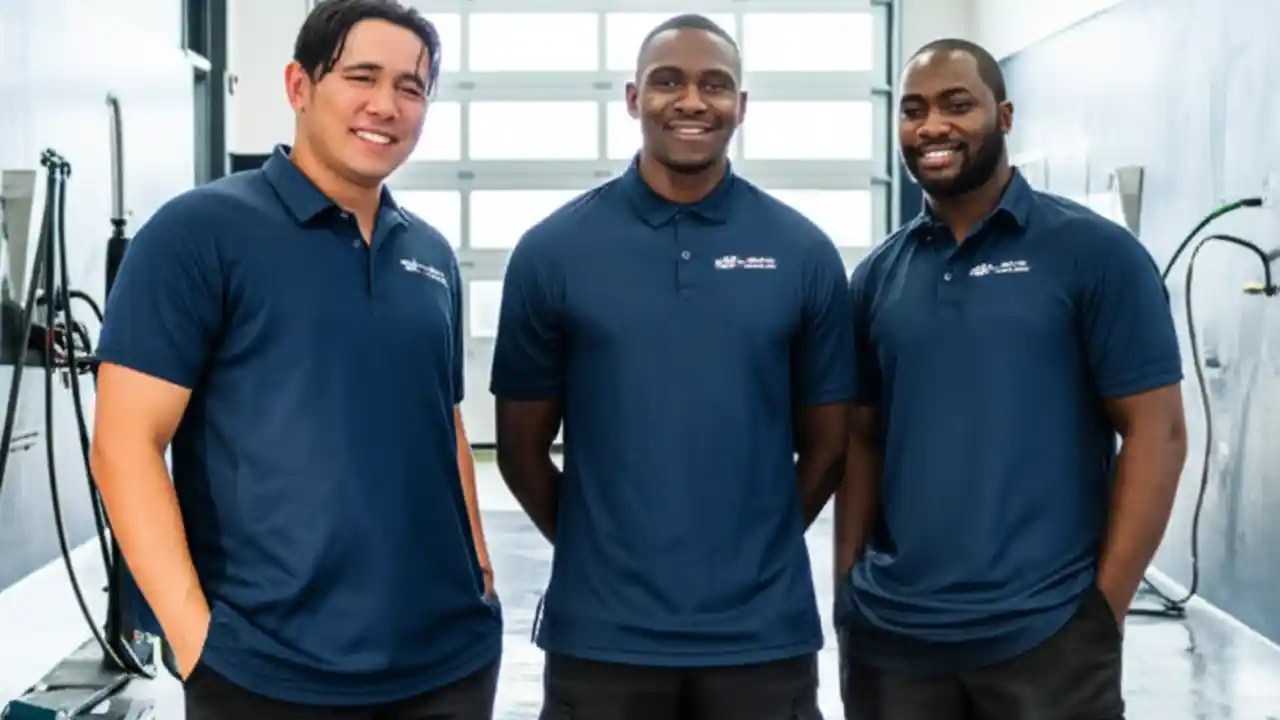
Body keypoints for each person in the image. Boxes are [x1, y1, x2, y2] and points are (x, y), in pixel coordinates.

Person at [89, 1, 502, 718]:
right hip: (267, 673)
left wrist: (482, 577)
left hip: (447, 664)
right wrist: (196, 641)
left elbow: (447, 421)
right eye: (361, 76)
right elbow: (125, 444)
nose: (385, 104)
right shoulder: (198, 233)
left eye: (411, 86)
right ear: (299, 86)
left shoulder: (431, 255)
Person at [489, 13, 852, 720]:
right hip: (601, 640)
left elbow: (829, 447)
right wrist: (603, 548)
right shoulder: (553, 252)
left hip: (760, 638)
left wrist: (753, 543)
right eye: (667, 83)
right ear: (633, 99)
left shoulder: (804, 253)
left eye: (715, 85)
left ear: (741, 107)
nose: (691, 101)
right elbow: (519, 453)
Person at [833, 38, 1188, 720]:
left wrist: (1100, 610)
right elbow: (862, 441)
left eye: (956, 104)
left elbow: (1158, 433)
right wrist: (849, 592)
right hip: (895, 641)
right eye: (913, 110)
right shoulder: (878, 277)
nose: (932, 125)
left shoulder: (1094, 254)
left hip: (1046, 638)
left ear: (1004, 116)